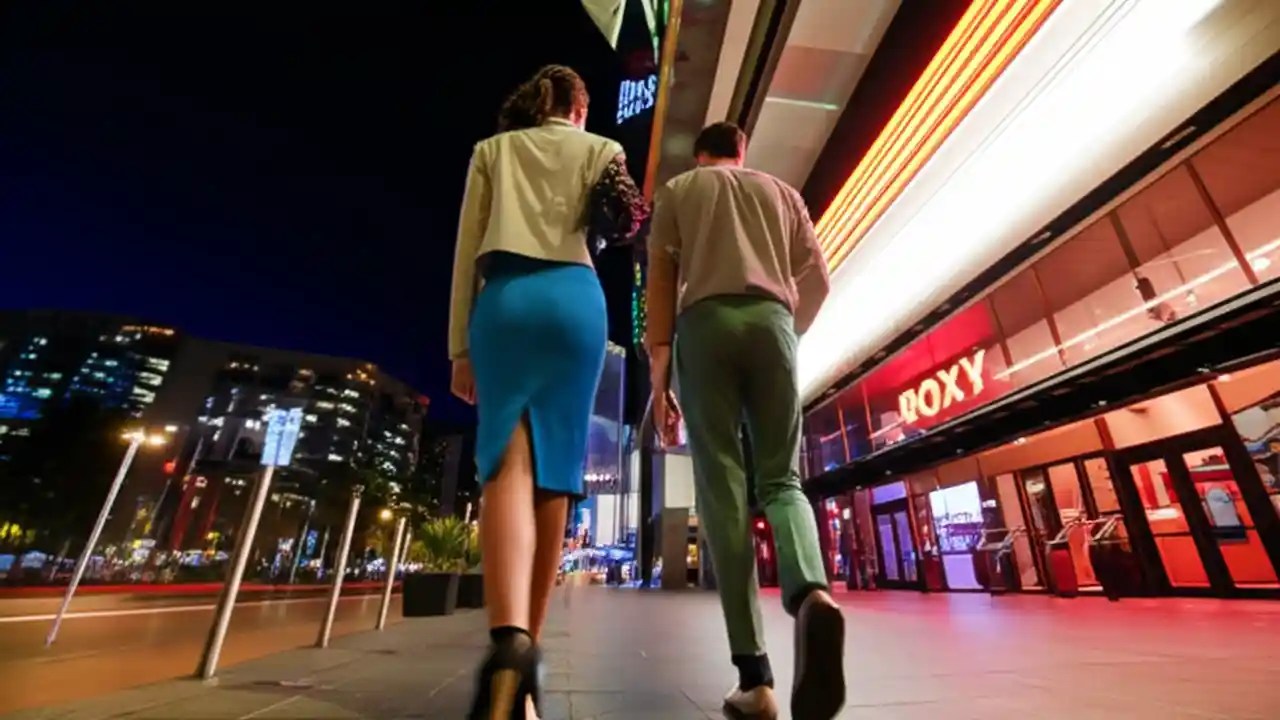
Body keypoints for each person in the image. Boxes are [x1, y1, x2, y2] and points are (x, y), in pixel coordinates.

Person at [448, 65, 646, 719]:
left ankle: (505, 643)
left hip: (505, 300)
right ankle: (526, 667)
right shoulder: (603, 149)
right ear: (581, 108)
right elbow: (619, 229)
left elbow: (465, 253)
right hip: (576, 301)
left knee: (505, 459)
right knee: (557, 472)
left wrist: (459, 347)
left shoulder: (491, 151)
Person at [644, 121, 843, 720]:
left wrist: (660, 376)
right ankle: (812, 595)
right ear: (741, 152)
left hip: (703, 329)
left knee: (722, 486)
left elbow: (659, 282)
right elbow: (820, 280)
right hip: (772, 323)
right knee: (782, 478)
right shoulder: (781, 193)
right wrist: (785, 328)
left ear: (702, 156)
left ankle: (755, 679)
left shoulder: (680, 191)